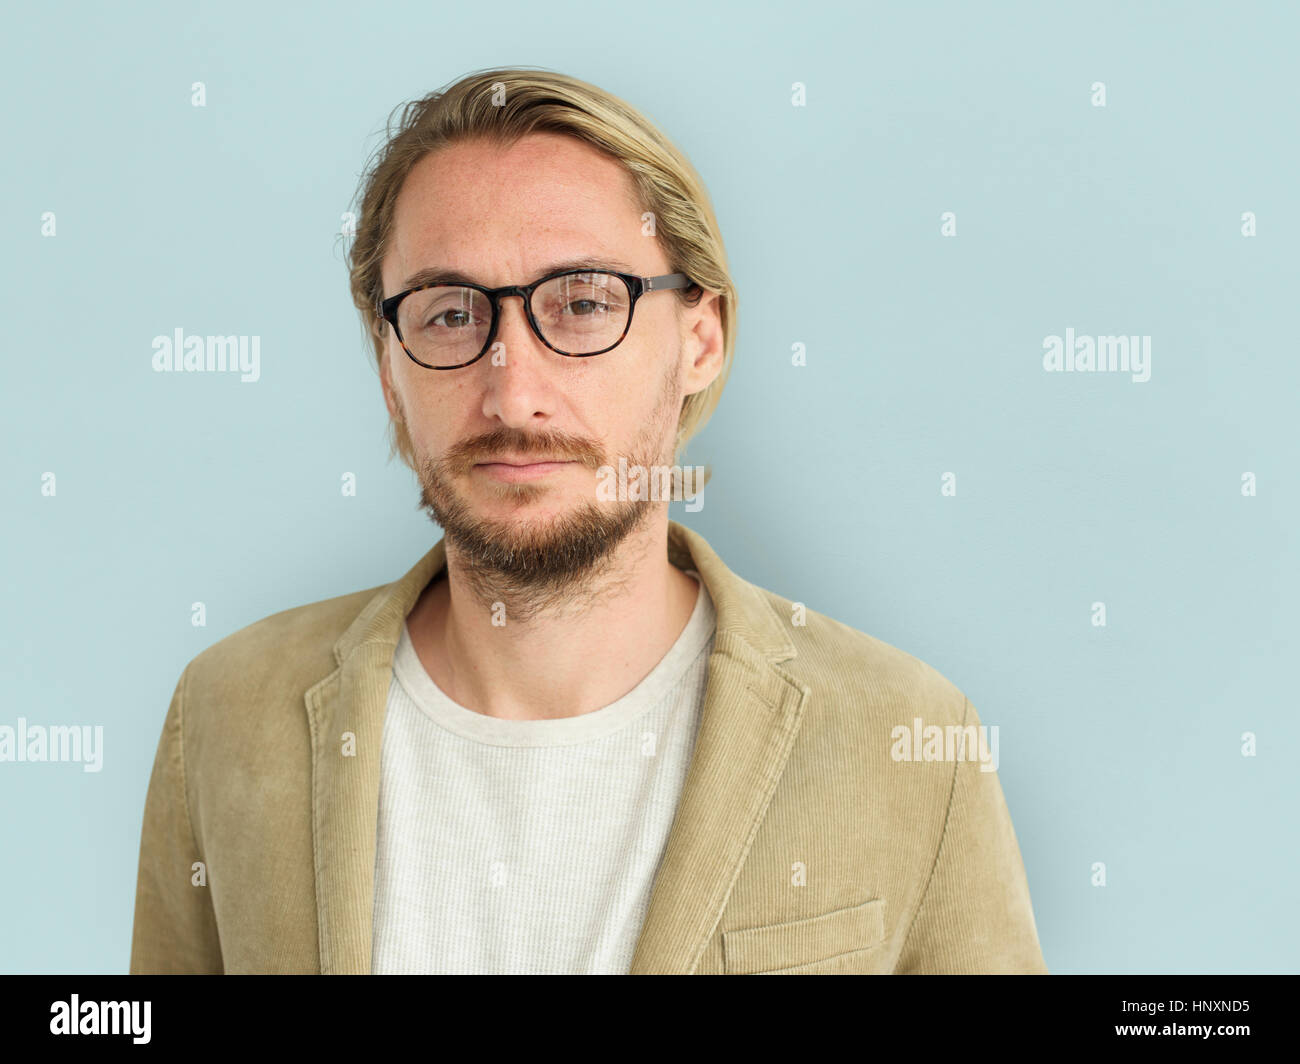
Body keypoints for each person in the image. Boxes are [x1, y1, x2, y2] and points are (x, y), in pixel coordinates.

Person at [130, 66, 1048, 975]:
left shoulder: (910, 737)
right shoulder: (223, 716)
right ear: (388, 371)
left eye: (581, 303)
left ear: (700, 339)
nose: (512, 391)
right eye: (450, 314)